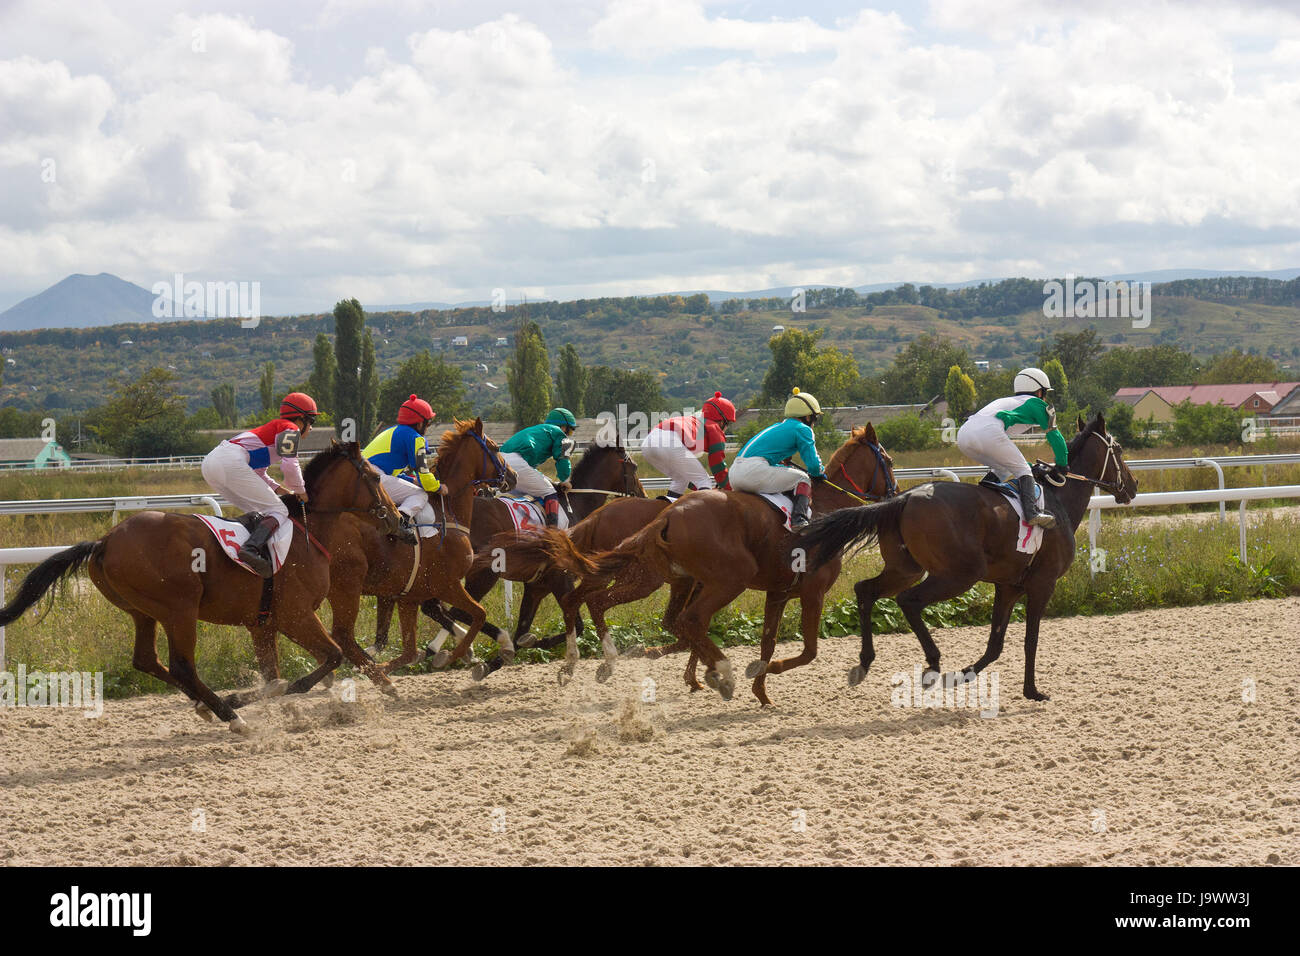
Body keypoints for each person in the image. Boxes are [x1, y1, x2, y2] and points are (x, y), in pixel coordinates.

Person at [201, 392, 317, 577]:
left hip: (211, 464)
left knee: (262, 513)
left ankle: (243, 551)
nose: (311, 428)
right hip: (228, 462)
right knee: (279, 511)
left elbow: (258, 473)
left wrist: (280, 489)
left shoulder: (275, 431)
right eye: (312, 421)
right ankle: (250, 550)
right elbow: (290, 465)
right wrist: (300, 490)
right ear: (300, 419)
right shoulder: (290, 428)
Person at [956, 366, 1068, 529]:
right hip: (987, 433)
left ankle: (979, 501)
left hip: (963, 435)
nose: (1044, 398)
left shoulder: (1006, 402)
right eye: (1045, 393)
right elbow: (1054, 435)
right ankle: (1032, 514)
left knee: (1003, 470)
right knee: (1023, 470)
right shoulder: (1036, 403)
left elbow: (1005, 452)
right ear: (1038, 391)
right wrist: (1063, 463)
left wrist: (1032, 466)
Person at [728, 388, 826, 529]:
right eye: (815, 418)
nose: (814, 422)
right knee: (803, 478)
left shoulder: (777, 426)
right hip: (753, 471)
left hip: (735, 473)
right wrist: (820, 473)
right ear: (808, 417)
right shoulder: (803, 429)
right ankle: (799, 520)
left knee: (789, 472)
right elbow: (813, 466)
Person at [362, 394, 444, 543]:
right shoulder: (416, 438)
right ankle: (399, 522)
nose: (427, 427)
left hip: (363, 475)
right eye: (428, 423)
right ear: (420, 423)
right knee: (421, 495)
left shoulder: (392, 431)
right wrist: (439, 488)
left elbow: (392, 472)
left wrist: (411, 480)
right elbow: (425, 477)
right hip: (373, 478)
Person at [640, 391, 736, 498]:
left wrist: (698, 486)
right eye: (728, 423)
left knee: (681, 479)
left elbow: (688, 474)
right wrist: (730, 489)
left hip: (647, 443)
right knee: (704, 481)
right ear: (722, 421)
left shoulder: (693, 420)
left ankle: (669, 507)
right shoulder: (714, 426)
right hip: (669, 442)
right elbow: (717, 464)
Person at [499, 407, 576, 527]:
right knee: (548, 492)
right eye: (570, 431)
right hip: (516, 464)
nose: (569, 435)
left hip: (500, 462)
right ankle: (552, 533)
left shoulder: (539, 430)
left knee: (525, 496)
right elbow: (562, 458)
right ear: (562, 427)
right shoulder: (558, 433)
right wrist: (565, 480)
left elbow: (529, 469)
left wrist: (549, 480)